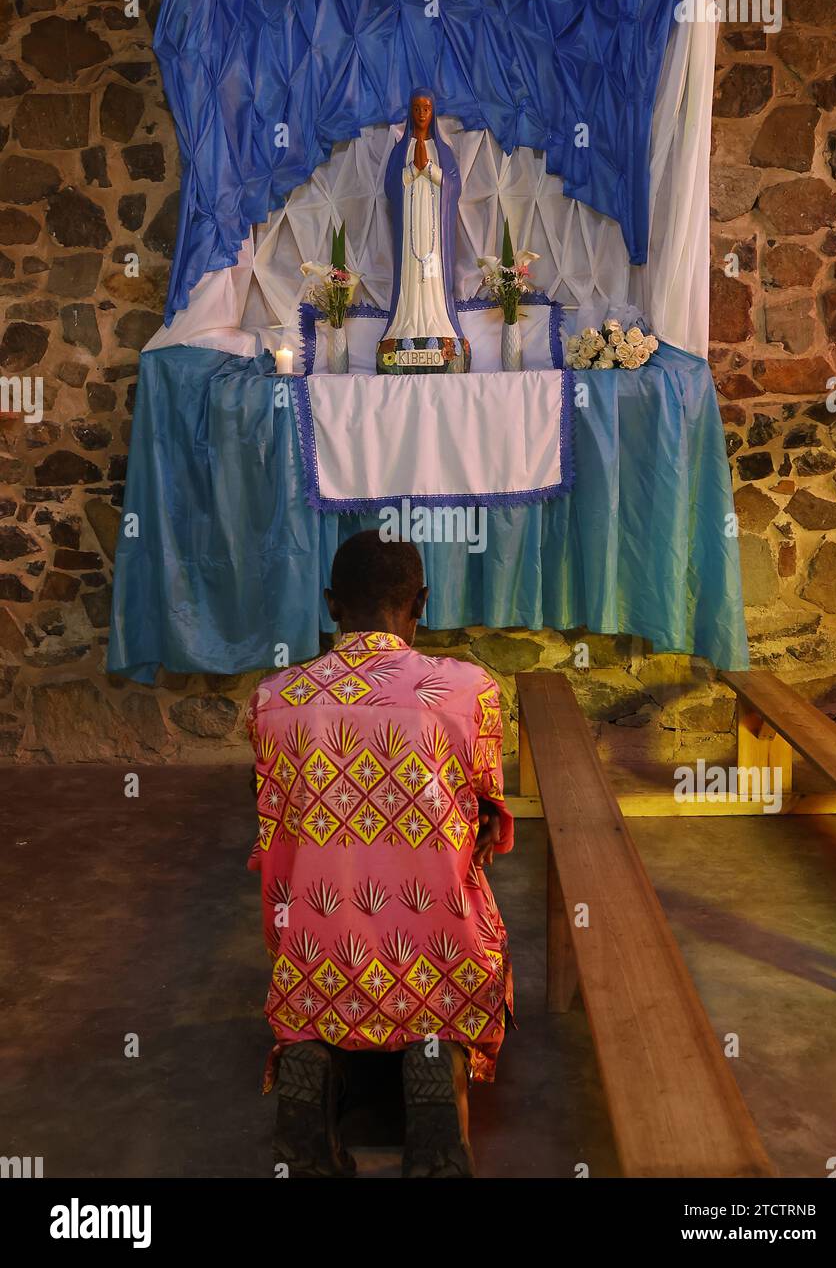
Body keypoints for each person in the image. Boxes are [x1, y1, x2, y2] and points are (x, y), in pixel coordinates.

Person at [246, 530, 513, 1177]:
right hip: (441, 956)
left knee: (302, 902)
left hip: (316, 957)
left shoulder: (275, 699)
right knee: (471, 911)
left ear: (332, 604)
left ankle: (314, 1051)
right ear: (421, 602)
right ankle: (434, 1051)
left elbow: (271, 841)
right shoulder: (469, 691)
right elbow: (489, 822)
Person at [377, 88, 470, 373]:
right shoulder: (399, 150)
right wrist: (410, 172)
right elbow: (391, 188)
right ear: (410, 110)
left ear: (433, 112)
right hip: (409, 233)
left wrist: (427, 169)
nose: (421, 113)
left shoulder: (443, 152)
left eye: (426, 108)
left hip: (434, 234)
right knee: (409, 277)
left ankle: (438, 324)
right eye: (416, 108)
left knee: (434, 280)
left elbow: (454, 187)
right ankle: (406, 325)